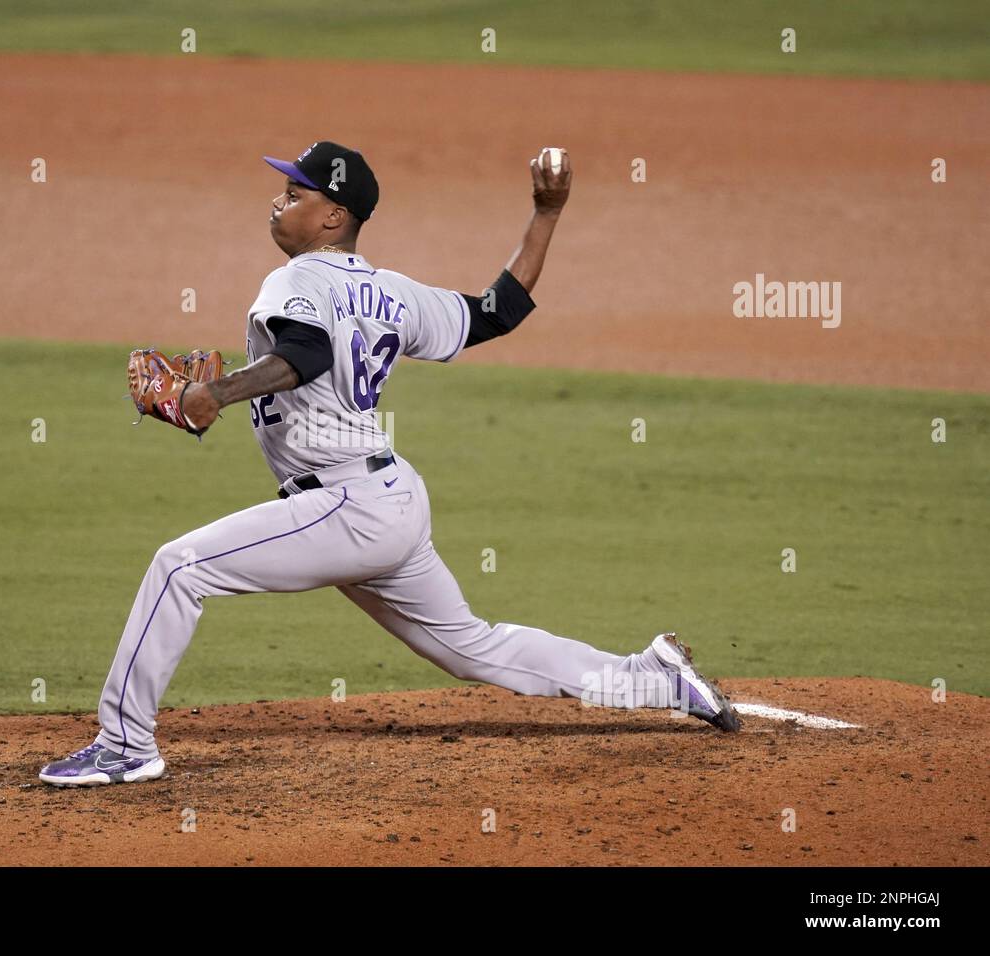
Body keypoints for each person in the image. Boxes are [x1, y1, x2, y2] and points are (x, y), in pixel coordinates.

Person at [39, 141, 740, 787]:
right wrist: (546, 214)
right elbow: (500, 311)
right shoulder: (393, 292)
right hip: (387, 502)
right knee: (474, 650)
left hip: (345, 507)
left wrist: (213, 395)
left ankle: (124, 745)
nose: (279, 199)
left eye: (295, 191)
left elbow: (306, 355)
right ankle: (653, 679)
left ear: (331, 216)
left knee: (179, 567)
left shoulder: (293, 282)